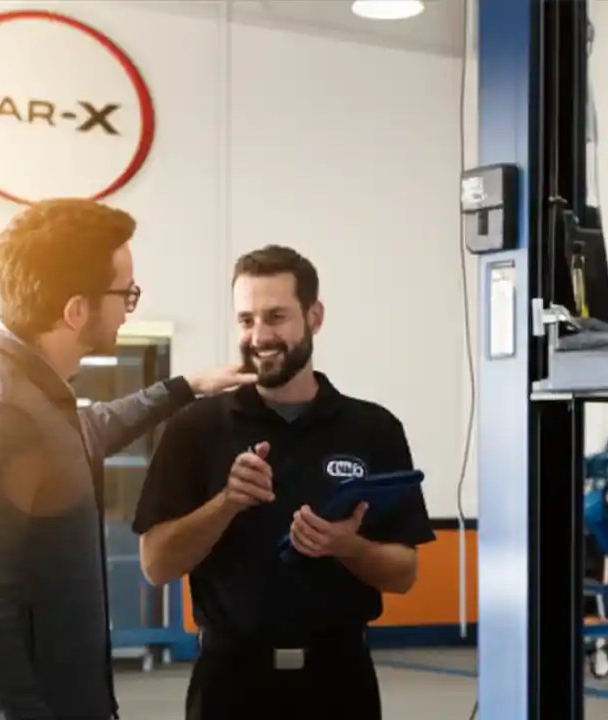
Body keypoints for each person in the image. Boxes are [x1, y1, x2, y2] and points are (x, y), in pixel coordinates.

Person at [0, 198, 256, 720]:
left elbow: (85, 433)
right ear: (76, 310)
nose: (128, 308)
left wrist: (182, 388)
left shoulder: (26, 395)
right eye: (126, 294)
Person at [133, 245, 436, 719]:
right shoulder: (196, 428)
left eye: (276, 317)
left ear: (314, 317)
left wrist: (347, 546)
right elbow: (156, 565)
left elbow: (404, 573)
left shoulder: (373, 429)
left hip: (340, 684)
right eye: (246, 320)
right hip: (230, 687)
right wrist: (227, 503)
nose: (259, 336)